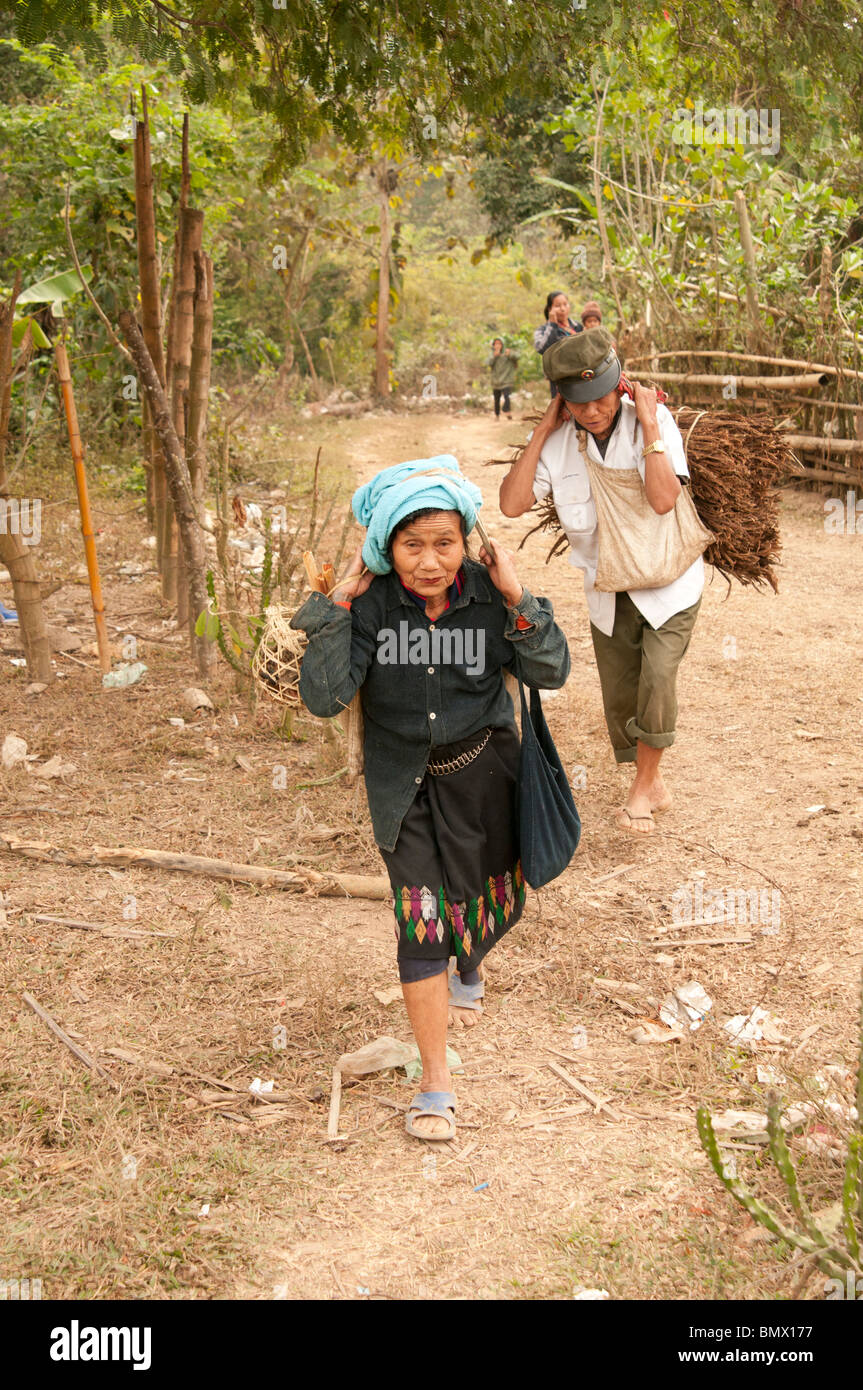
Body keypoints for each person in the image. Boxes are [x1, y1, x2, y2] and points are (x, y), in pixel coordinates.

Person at [291, 457, 570, 1141]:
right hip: (403, 785)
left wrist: (516, 598)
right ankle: (435, 1084)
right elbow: (323, 699)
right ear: (386, 548)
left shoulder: (484, 594)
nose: (428, 560)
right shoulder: (371, 607)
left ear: (466, 543)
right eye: (411, 545)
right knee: (420, 923)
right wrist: (337, 609)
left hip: (485, 774)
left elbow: (550, 670)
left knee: (484, 897)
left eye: (444, 542)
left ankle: (468, 963)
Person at [499, 328, 703, 837]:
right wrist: (542, 432)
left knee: (657, 678)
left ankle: (643, 786)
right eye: (577, 402)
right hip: (607, 589)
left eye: (600, 397)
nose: (592, 411)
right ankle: (651, 780)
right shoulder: (560, 446)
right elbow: (511, 504)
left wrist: (652, 420)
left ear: (620, 386)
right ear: (562, 402)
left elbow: (662, 500)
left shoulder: (651, 425)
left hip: (668, 583)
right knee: (623, 693)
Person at [533, 291, 583, 396]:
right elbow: (542, 349)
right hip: (559, 379)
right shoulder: (542, 330)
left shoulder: (578, 327)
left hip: (580, 375)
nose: (563, 309)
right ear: (550, 309)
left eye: (565, 304)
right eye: (557, 306)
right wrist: (552, 324)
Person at [487, 337, 518, 419]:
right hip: (496, 380)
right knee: (496, 399)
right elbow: (488, 363)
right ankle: (497, 415)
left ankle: (507, 411)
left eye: (499, 343)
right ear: (493, 345)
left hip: (506, 380)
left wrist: (510, 354)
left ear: (502, 345)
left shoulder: (507, 352)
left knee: (507, 396)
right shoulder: (492, 354)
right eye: (496, 344)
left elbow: (517, 357)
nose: (497, 346)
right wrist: (494, 356)